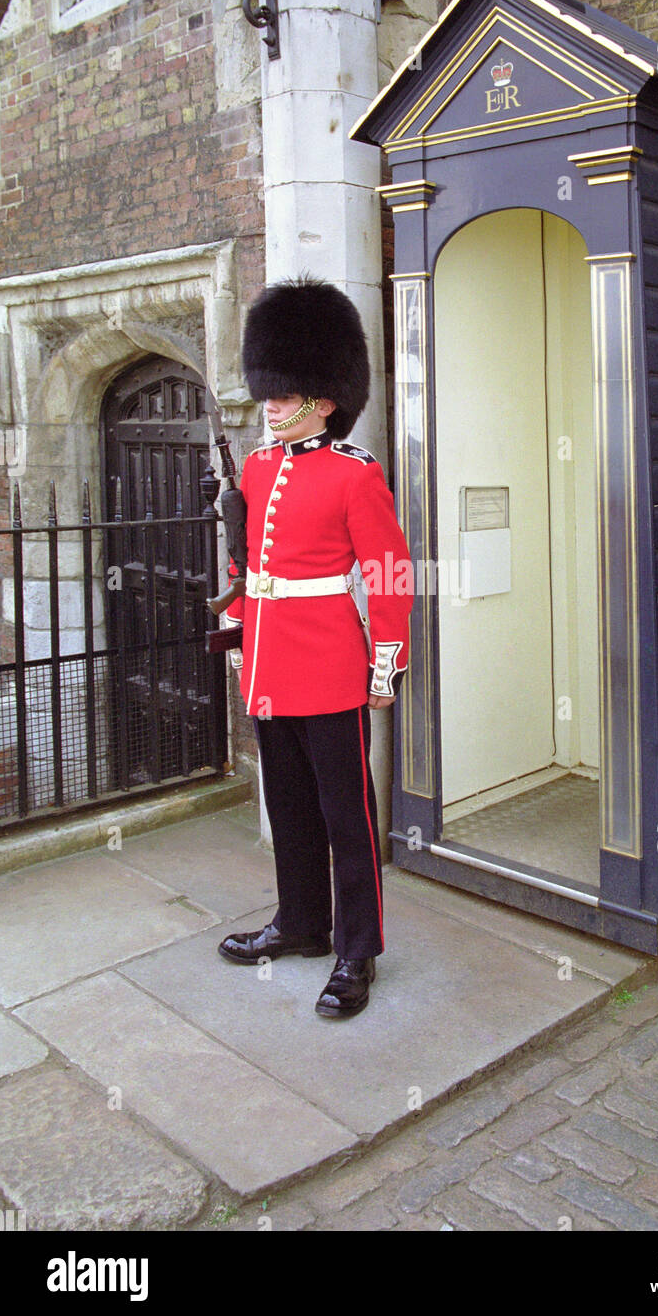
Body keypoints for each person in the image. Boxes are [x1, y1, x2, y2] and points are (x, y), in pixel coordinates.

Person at [217, 276, 414, 1019]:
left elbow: (389, 576)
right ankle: (299, 923)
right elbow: (251, 567)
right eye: (270, 390)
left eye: (286, 393)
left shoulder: (356, 474)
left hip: (332, 665)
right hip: (269, 665)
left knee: (346, 817)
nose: (270, 404)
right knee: (288, 806)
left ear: (324, 400)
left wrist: (387, 665)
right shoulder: (259, 466)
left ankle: (356, 950)